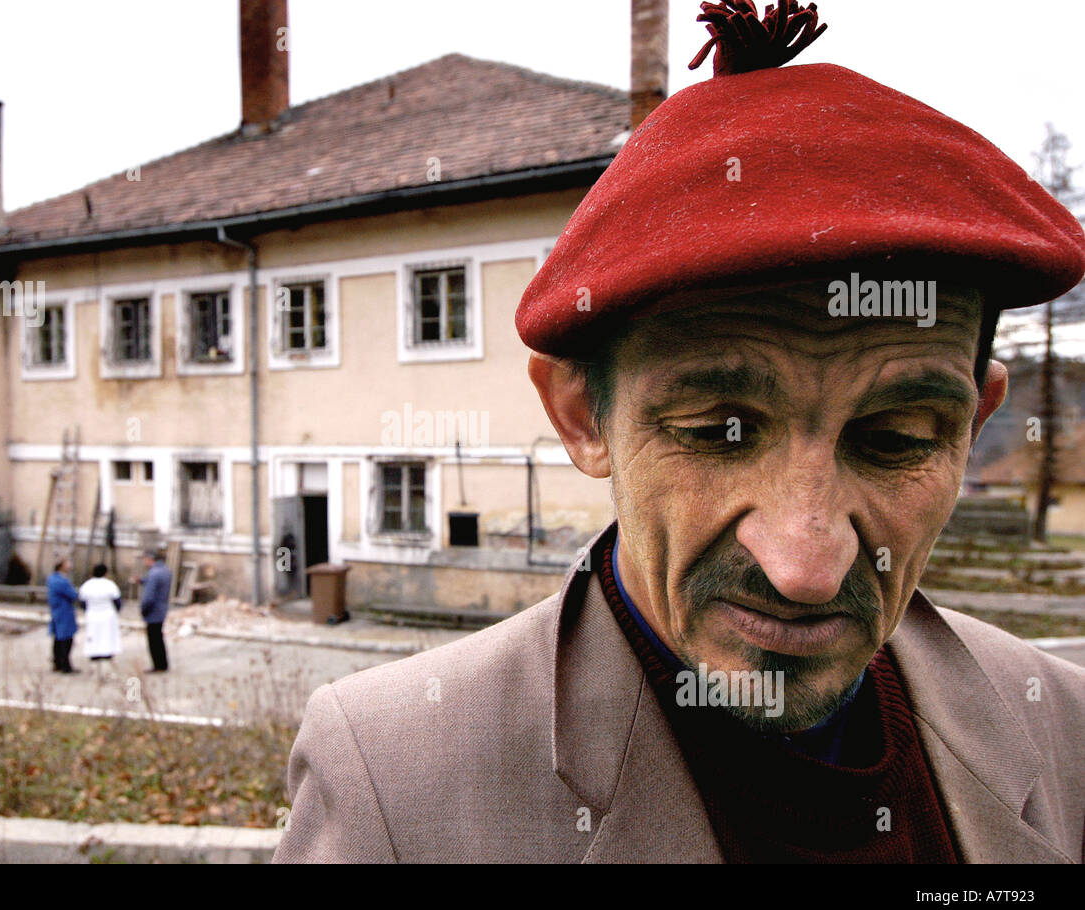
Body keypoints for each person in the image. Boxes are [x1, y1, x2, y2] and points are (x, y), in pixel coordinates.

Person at [274, 1, 1085, 863]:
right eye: (719, 431)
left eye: (897, 440)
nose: (806, 569)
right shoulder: (393, 783)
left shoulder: (1066, 727)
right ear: (583, 415)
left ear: (975, 424)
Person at [78, 563, 123, 667]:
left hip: (92, 614)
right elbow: (117, 601)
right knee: (107, 635)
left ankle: (94, 655)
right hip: (108, 614)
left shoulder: (87, 585)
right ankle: (107, 655)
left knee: (93, 635)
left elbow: (82, 602)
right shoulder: (110, 585)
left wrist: (89, 609)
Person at [139, 549, 171, 672]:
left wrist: (143, 609)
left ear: (150, 559)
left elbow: (149, 596)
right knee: (159, 638)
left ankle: (158, 665)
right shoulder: (165, 571)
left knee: (153, 640)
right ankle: (163, 663)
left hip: (153, 610)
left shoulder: (153, 573)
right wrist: (143, 581)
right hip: (162, 609)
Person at [45, 557, 79, 675]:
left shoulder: (53, 578)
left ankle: (57, 662)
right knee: (66, 638)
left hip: (57, 610)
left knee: (58, 638)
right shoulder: (61, 581)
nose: (70, 565)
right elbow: (73, 595)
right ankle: (65, 665)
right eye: (67, 563)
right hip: (64, 611)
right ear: (61, 566)